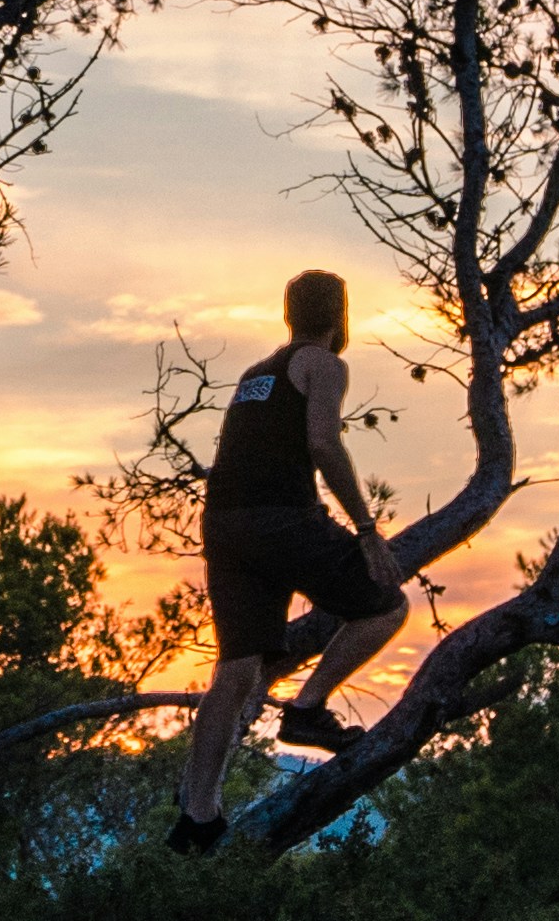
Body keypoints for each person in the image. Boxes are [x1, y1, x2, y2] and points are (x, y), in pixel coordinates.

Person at [173, 268, 409, 851]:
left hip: (225, 526)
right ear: (338, 315)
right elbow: (324, 442)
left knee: (235, 673)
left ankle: (197, 816)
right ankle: (307, 708)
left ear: (289, 313)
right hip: (281, 517)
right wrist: (367, 528)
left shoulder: (257, 375)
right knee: (386, 606)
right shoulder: (323, 364)